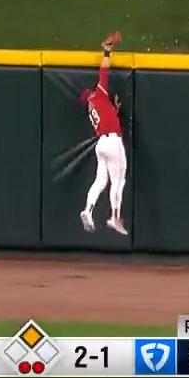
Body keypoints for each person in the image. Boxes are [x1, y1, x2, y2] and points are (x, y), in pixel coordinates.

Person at [79, 33, 129, 236]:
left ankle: (87, 210)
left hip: (101, 143)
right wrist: (107, 51)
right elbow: (104, 71)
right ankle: (114, 217)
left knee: (100, 181)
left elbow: (105, 115)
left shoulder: (91, 105)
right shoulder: (99, 93)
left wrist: (113, 111)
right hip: (113, 141)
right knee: (118, 180)